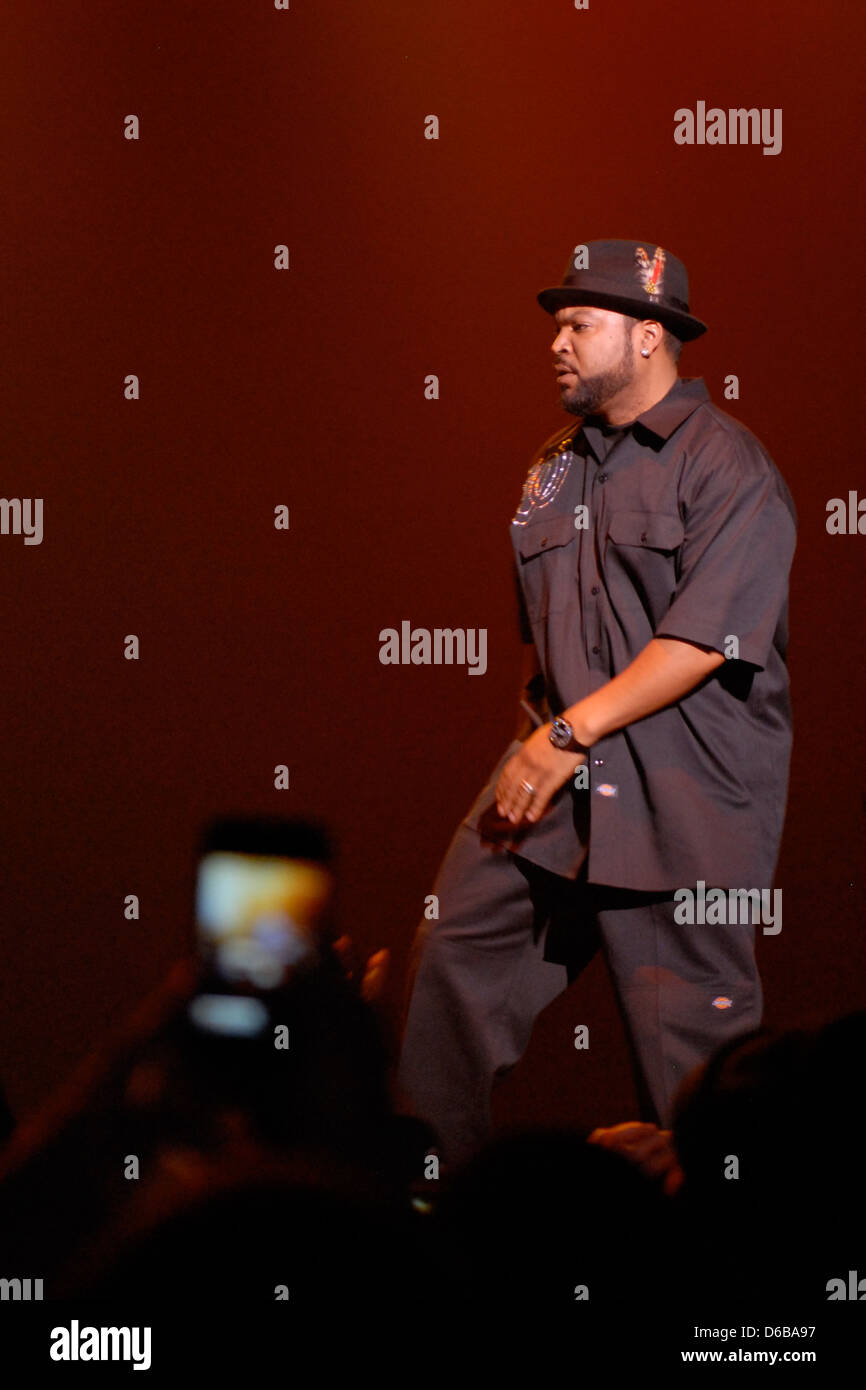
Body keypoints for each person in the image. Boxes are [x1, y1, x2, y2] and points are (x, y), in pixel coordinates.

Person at [396, 238, 798, 1173]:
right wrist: (548, 737)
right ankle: (425, 1215)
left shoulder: (728, 467)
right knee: (448, 960)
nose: (557, 342)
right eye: (556, 325)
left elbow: (703, 641)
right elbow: (554, 638)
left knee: (694, 1081)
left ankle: (741, 1294)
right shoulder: (551, 467)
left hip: (680, 807)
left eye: (580, 323)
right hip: (554, 786)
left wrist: (573, 733)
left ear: (649, 336)